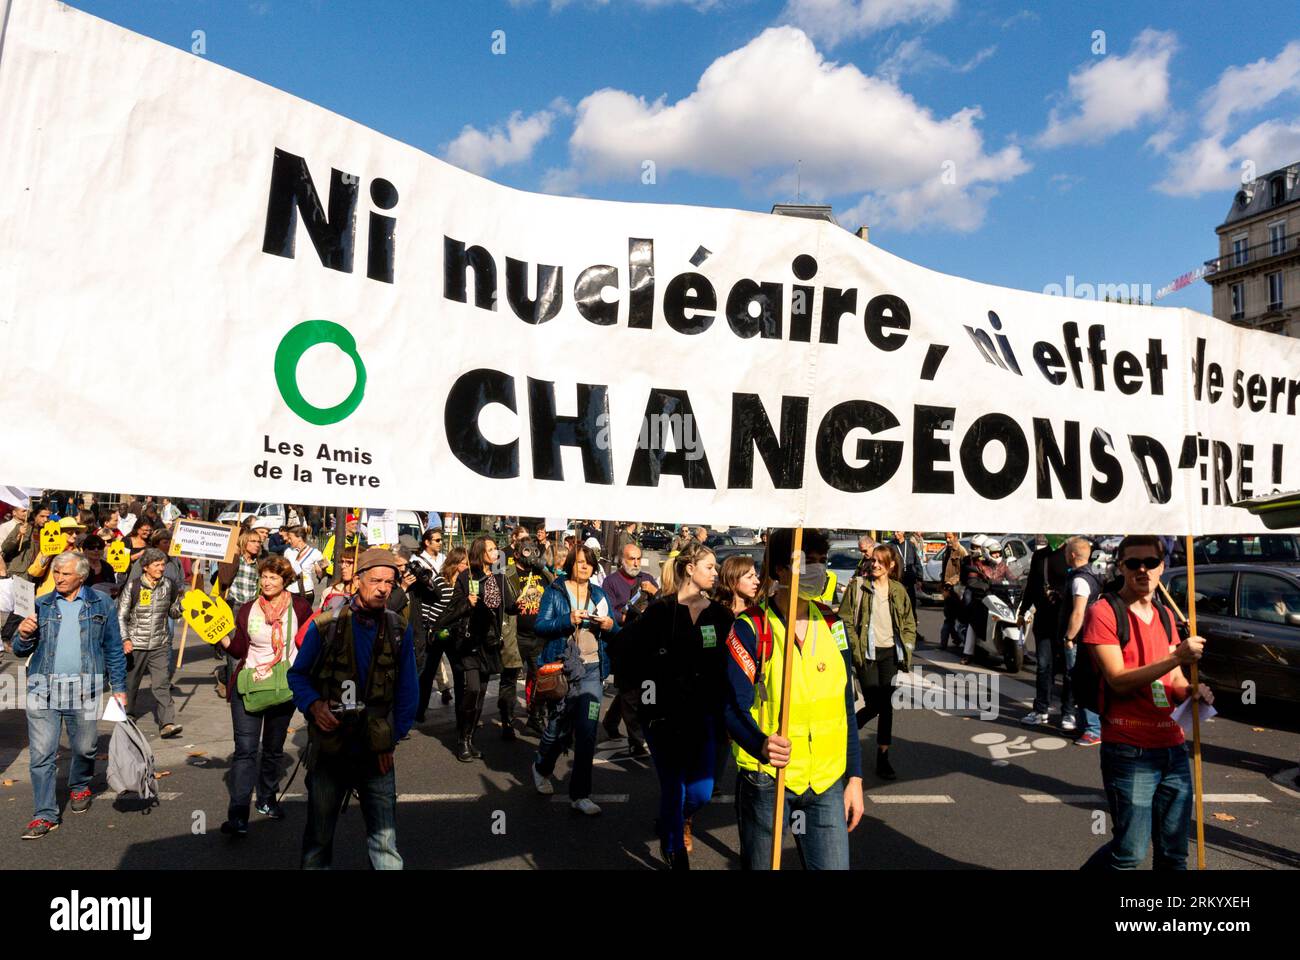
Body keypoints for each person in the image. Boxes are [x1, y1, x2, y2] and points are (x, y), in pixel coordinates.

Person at [724, 528, 864, 869]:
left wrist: (855, 779)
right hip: (768, 778)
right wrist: (760, 743)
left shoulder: (834, 626)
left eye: (821, 561)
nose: (818, 569)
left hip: (826, 782)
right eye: (806, 561)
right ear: (779, 571)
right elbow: (731, 706)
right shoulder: (751, 628)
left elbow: (846, 707)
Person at [1081, 535, 1213, 870]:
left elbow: (1177, 681)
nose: (1143, 570)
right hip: (1129, 750)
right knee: (1129, 854)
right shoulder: (1104, 612)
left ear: (1162, 567)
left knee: (1174, 854)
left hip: (1173, 749)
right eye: (1133, 563)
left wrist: (1192, 692)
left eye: (1151, 563)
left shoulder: (1168, 616)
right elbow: (1118, 680)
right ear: (1120, 567)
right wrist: (1176, 658)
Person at [289, 548, 418, 869]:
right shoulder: (325, 626)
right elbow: (297, 675)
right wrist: (314, 705)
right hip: (331, 750)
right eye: (375, 580)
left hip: (377, 752)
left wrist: (393, 738)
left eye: (389, 582)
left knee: (385, 843)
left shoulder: (399, 630)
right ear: (357, 581)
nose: (383, 588)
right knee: (318, 841)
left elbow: (408, 693)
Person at [612, 542, 732, 868]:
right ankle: (673, 848)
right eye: (710, 566)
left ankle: (673, 820)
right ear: (690, 569)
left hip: (704, 716)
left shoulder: (720, 615)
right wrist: (640, 702)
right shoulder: (660, 612)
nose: (715, 572)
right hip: (663, 718)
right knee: (674, 789)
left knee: (702, 792)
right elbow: (626, 654)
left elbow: (729, 665)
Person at [12, 552, 126, 838]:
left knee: (85, 747)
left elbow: (113, 648)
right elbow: (19, 649)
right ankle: (45, 814)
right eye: (56, 572)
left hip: (85, 689)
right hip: (42, 689)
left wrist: (120, 689)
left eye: (65, 573)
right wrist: (24, 635)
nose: (58, 577)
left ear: (82, 576)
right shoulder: (42, 604)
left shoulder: (102, 604)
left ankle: (79, 785)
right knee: (41, 755)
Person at [215, 555, 313, 834]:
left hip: (284, 687)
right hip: (250, 686)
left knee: (272, 749)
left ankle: (267, 799)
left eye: (274, 577)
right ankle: (238, 814)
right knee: (245, 751)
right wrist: (219, 635)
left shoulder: (300, 607)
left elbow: (310, 642)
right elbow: (237, 650)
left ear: (285, 581)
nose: (267, 582)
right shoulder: (248, 609)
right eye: (264, 576)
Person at [531, 543, 619, 814]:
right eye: (580, 561)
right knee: (556, 729)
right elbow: (540, 626)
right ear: (571, 563)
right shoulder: (555, 591)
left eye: (589, 563)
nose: (584, 566)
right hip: (563, 670)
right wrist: (567, 619)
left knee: (587, 733)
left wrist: (610, 625)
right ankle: (542, 767)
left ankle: (580, 794)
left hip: (592, 670)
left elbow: (617, 629)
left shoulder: (600, 594)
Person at [839, 542, 916, 780]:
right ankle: (845, 738)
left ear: (891, 565)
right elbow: (845, 620)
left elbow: (909, 622)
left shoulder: (898, 590)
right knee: (874, 703)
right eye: (873, 561)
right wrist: (855, 647)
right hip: (867, 654)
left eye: (880, 561)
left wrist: (908, 647)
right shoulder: (859, 587)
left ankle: (883, 757)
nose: (875, 565)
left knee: (887, 706)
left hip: (890, 653)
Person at [439, 536, 516, 761]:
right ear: (480, 552)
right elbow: (452, 610)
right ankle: (461, 738)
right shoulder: (467, 576)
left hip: (490, 643)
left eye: (495, 549)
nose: (495, 553)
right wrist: (467, 603)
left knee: (481, 693)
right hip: (470, 643)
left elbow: (509, 606)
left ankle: (470, 739)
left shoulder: (500, 577)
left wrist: (521, 604)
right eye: (491, 549)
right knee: (471, 689)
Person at [599, 541, 660, 756]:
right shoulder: (611, 581)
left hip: (646, 645)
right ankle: (636, 740)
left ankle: (610, 721)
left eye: (638, 558)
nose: (635, 563)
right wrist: (623, 616)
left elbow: (660, 607)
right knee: (630, 692)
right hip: (623, 642)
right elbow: (605, 607)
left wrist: (655, 592)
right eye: (631, 558)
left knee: (630, 690)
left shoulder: (647, 579)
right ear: (621, 561)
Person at [117, 547, 184, 738]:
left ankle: (167, 723)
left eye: (163, 564)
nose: (161, 568)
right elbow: (121, 616)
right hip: (135, 644)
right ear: (146, 567)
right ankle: (127, 715)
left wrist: (181, 606)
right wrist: (125, 639)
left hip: (160, 644)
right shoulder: (133, 586)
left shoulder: (168, 585)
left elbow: (172, 612)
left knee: (161, 683)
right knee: (131, 683)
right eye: (157, 565)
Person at [1050, 537, 1104, 742]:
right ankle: (1085, 726)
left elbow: (1079, 612)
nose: (1064, 555)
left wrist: (1069, 637)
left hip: (1079, 639)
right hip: (1087, 637)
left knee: (1080, 682)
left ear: (1072, 555)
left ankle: (1093, 729)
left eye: (1066, 552)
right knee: (1080, 681)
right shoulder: (1092, 573)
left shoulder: (1080, 580)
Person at [1019, 535, 1072, 721]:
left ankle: (1069, 713)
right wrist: (1022, 611)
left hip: (1067, 623)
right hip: (1043, 620)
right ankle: (1041, 709)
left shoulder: (1073, 554)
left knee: (1068, 669)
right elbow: (1032, 585)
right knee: (1043, 666)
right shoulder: (1040, 556)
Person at [413, 544, 465, 721]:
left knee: (459, 672)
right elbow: (427, 605)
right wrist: (428, 627)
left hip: (454, 633)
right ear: (455, 563)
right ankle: (420, 710)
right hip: (437, 632)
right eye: (464, 563)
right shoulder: (440, 581)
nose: (467, 567)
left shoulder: (464, 583)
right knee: (428, 673)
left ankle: (461, 711)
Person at [893, 531, 926, 641]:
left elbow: (917, 562)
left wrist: (919, 578)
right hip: (897, 582)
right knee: (898, 607)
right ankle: (899, 631)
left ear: (903, 532)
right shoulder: (891, 546)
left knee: (911, 607)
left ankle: (913, 631)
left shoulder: (910, 545)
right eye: (894, 531)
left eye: (898, 531)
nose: (895, 533)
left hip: (909, 582)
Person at [938, 532, 968, 649]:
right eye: (946, 537)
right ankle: (946, 643)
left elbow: (963, 572)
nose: (947, 540)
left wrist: (952, 581)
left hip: (958, 590)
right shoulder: (947, 551)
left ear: (955, 537)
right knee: (949, 616)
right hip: (947, 589)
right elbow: (945, 568)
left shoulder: (961, 551)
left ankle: (956, 639)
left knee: (958, 617)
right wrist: (942, 584)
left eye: (949, 537)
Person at [284, 525, 325, 607]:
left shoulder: (315, 553)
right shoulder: (288, 552)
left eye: (290, 538)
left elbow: (322, 573)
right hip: (290, 590)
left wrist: (321, 570)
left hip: (307, 591)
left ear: (299, 538)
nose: (288, 540)